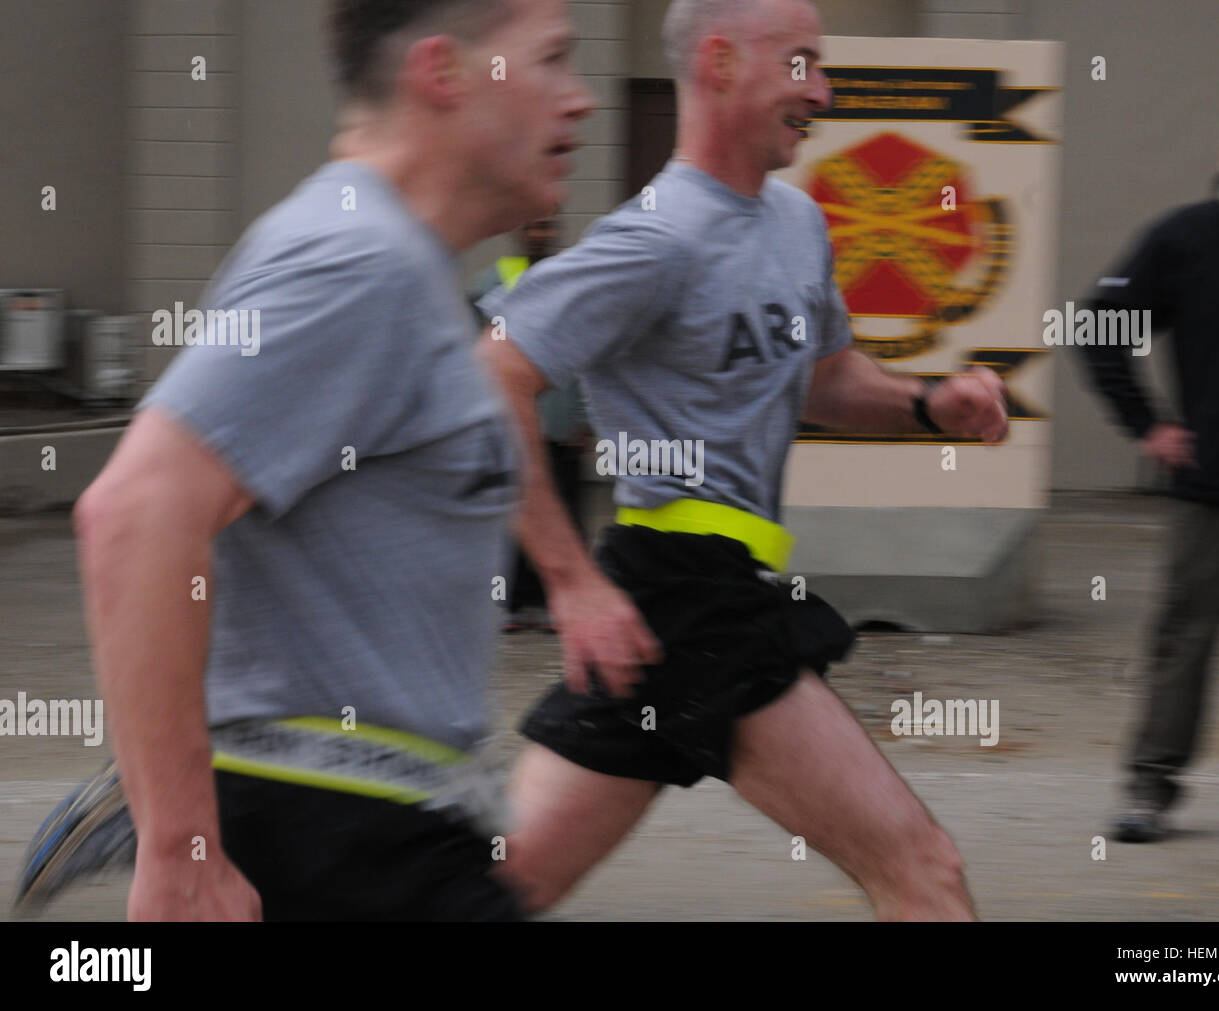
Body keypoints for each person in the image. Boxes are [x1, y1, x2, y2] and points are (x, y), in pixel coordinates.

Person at [478, 0, 1008, 921]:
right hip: (685, 594)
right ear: (721, 63)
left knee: (501, 889)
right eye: (801, 63)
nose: (822, 90)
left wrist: (929, 403)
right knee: (922, 869)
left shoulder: (796, 222)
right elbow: (493, 378)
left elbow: (825, 378)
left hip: (681, 608)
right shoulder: (655, 238)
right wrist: (567, 582)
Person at [71, 0, 594, 920]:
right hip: (339, 849)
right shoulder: (359, 261)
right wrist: (181, 846)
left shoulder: (401, 262)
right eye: (552, 59)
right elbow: (135, 513)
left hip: (382, 840)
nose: (582, 99)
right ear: (446, 73)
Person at [1081, 96, 1219, 842]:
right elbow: (1097, 330)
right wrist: (1148, 425)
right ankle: (1150, 790)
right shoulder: (1184, 240)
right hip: (1210, 495)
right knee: (1184, 644)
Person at [469, 219, 589, 632]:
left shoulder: (571, 278)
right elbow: (475, 356)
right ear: (518, 233)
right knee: (511, 515)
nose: (540, 235)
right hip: (511, 423)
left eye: (547, 229)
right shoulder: (490, 283)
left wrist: (583, 418)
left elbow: (586, 357)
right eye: (534, 229)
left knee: (567, 512)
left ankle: (557, 602)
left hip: (559, 422)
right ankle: (511, 604)